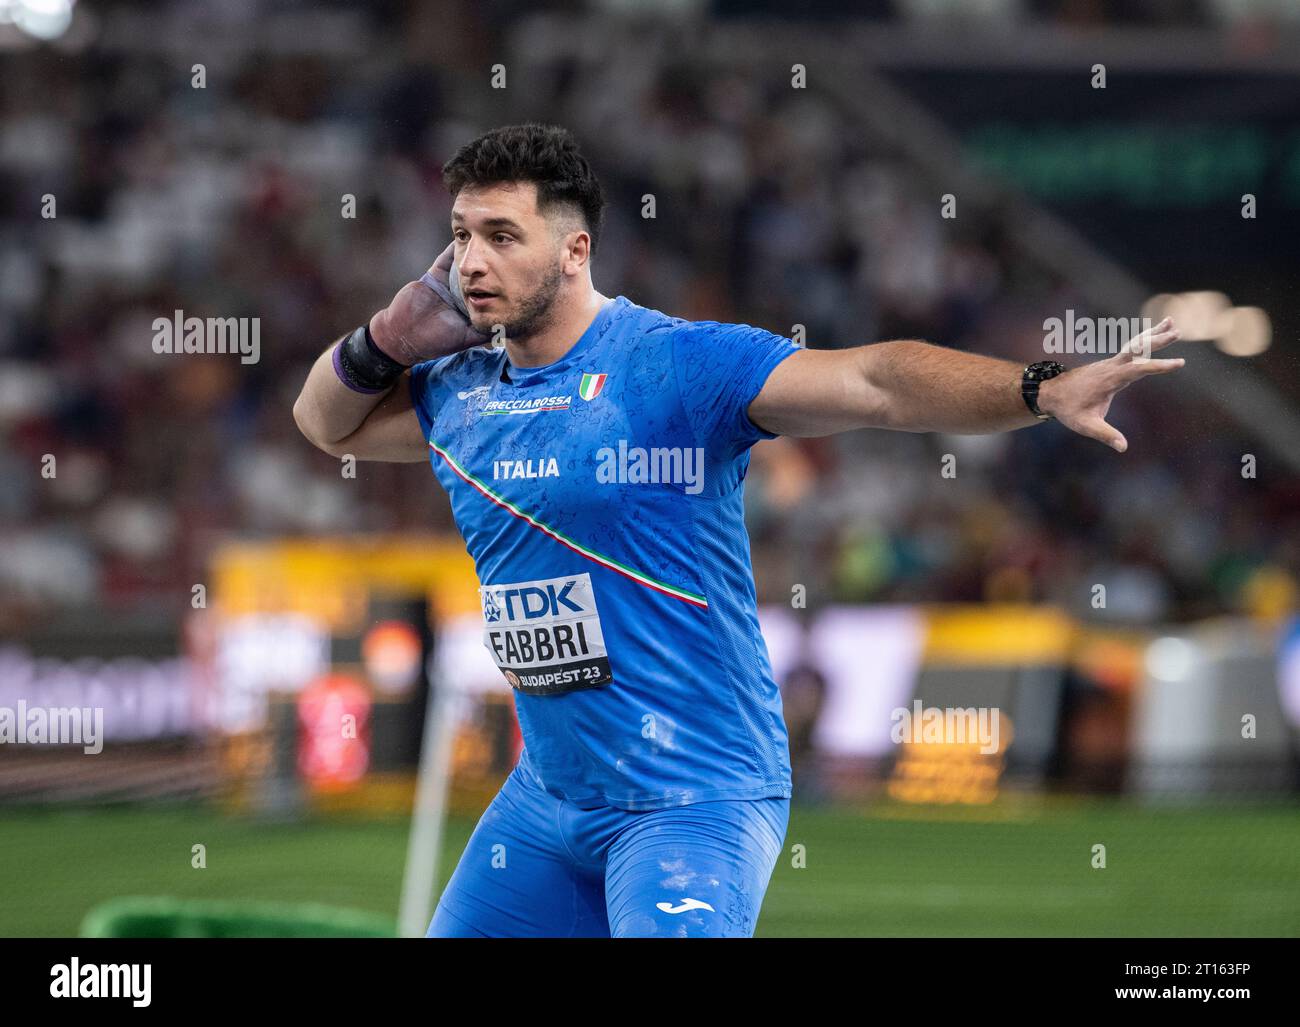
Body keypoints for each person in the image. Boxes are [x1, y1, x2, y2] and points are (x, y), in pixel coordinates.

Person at [292, 122, 1183, 937]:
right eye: (459, 235)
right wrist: (381, 340)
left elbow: (876, 382)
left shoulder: (676, 365)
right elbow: (326, 424)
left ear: (575, 251)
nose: (469, 262)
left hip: (694, 797)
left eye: (500, 236)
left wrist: (1039, 387)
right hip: (547, 802)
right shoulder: (462, 392)